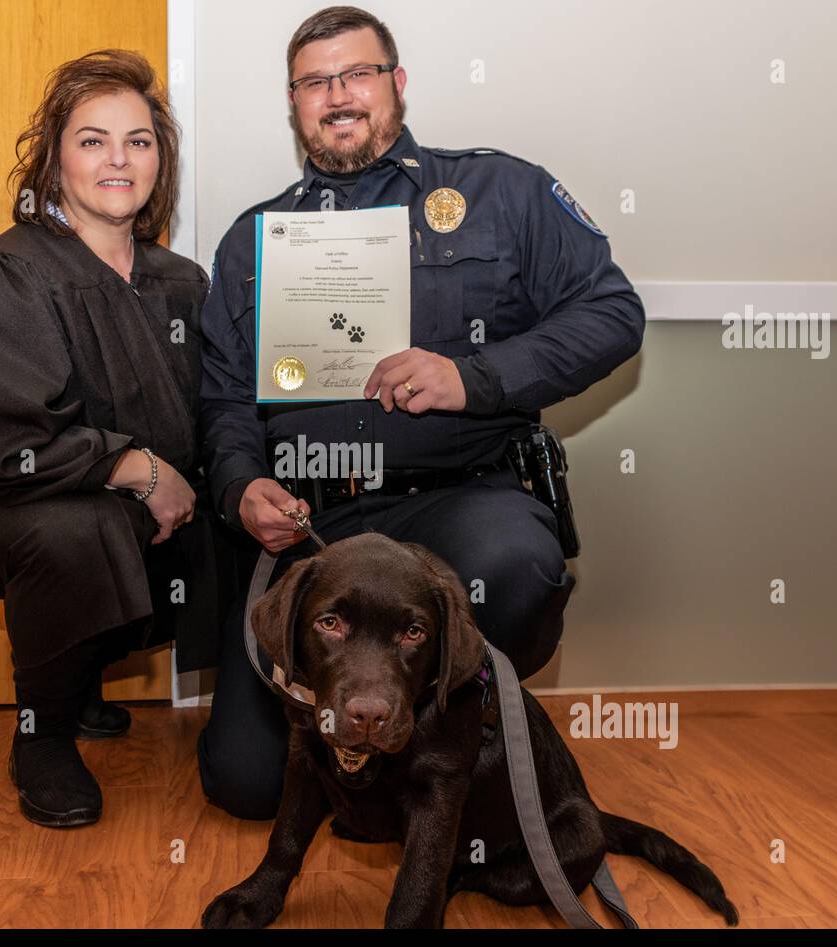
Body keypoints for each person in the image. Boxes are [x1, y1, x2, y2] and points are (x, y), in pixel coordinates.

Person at [196, 6, 646, 819]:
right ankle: (389, 749)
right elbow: (226, 397)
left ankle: (444, 745)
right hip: (317, 526)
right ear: (294, 103)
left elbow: (612, 315)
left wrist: (473, 376)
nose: (337, 96)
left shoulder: (501, 192)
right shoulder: (252, 240)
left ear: (397, 84)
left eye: (357, 74)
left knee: (513, 566)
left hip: (460, 498)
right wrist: (240, 487)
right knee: (245, 785)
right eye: (313, 82)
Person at [0, 50, 239, 828]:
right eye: (92, 141)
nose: (118, 158)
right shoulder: (12, 274)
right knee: (77, 529)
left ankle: (84, 680)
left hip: (130, 502)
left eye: (139, 140)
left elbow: (217, 408)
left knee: (229, 524)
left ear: (162, 158)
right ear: (54, 162)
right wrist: (136, 467)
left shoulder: (183, 281)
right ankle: (43, 734)